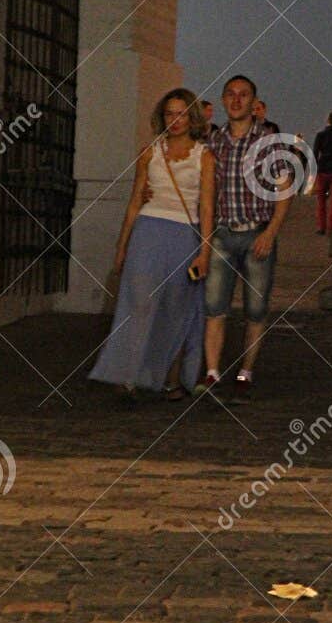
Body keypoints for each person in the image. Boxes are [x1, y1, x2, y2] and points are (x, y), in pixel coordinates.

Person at [90, 89, 214, 400]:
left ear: (192, 117)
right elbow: (134, 202)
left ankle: (169, 377)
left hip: (184, 235)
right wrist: (122, 246)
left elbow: (208, 207)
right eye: (170, 114)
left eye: (182, 113)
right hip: (147, 231)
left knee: (175, 310)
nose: (175, 120)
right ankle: (128, 375)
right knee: (139, 305)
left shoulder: (204, 156)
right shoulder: (150, 152)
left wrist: (205, 252)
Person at [203, 75, 292, 398]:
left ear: (254, 103)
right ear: (224, 100)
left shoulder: (269, 142)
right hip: (223, 235)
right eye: (230, 95)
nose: (236, 100)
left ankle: (245, 370)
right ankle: (212, 372)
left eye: (243, 95)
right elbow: (207, 194)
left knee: (255, 309)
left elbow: (285, 192)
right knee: (214, 306)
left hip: (257, 235)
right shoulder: (215, 143)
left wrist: (271, 232)